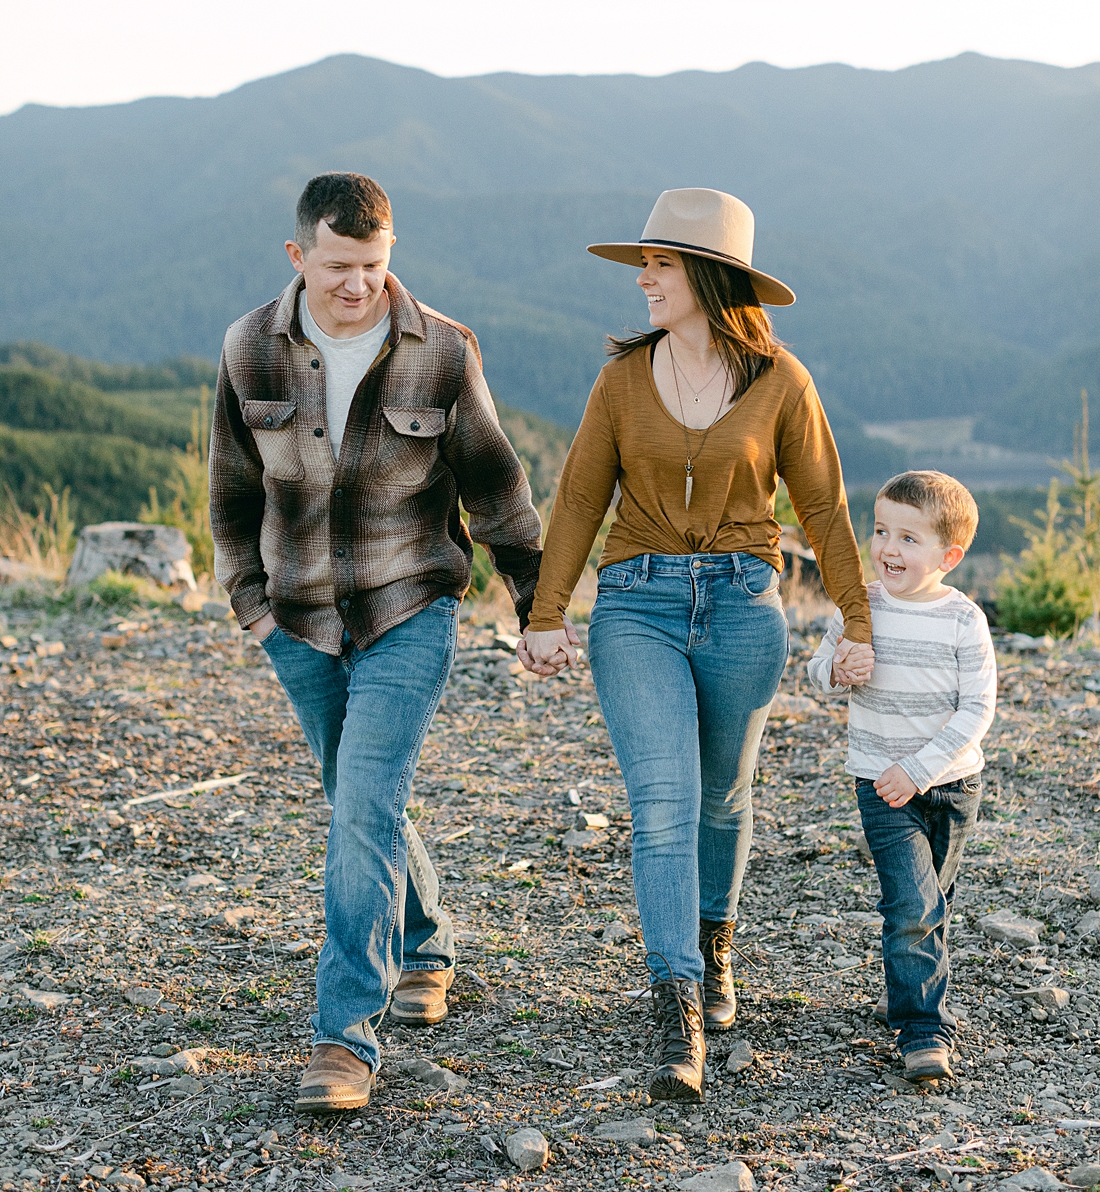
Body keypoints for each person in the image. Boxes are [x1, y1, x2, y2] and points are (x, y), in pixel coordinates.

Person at [520, 187, 874, 1102]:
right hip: (635, 605)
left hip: (744, 606)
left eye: (661, 264)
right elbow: (577, 500)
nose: (644, 278)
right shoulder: (623, 378)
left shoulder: (781, 382)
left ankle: (716, 944)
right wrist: (547, 611)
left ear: (710, 277)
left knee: (723, 795)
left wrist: (860, 623)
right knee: (666, 798)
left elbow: (826, 508)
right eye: (644, 263)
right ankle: (674, 998)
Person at [210, 172, 545, 1113]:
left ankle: (343, 1039)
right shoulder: (248, 348)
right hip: (299, 618)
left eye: (374, 265)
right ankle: (428, 941)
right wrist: (254, 608)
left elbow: (496, 485)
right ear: (297, 256)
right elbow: (231, 491)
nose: (358, 285)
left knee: (361, 803)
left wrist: (539, 604)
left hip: (411, 607)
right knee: (361, 797)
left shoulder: (440, 349)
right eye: (338, 266)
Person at [807, 470, 996, 1083]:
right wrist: (838, 666)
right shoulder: (860, 605)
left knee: (933, 902)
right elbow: (813, 668)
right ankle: (922, 1031)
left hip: (952, 783)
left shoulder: (964, 619)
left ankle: (908, 984)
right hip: (880, 785)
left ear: (949, 555)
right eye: (882, 531)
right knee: (912, 905)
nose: (889, 547)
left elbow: (978, 709)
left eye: (909, 539)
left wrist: (919, 770)